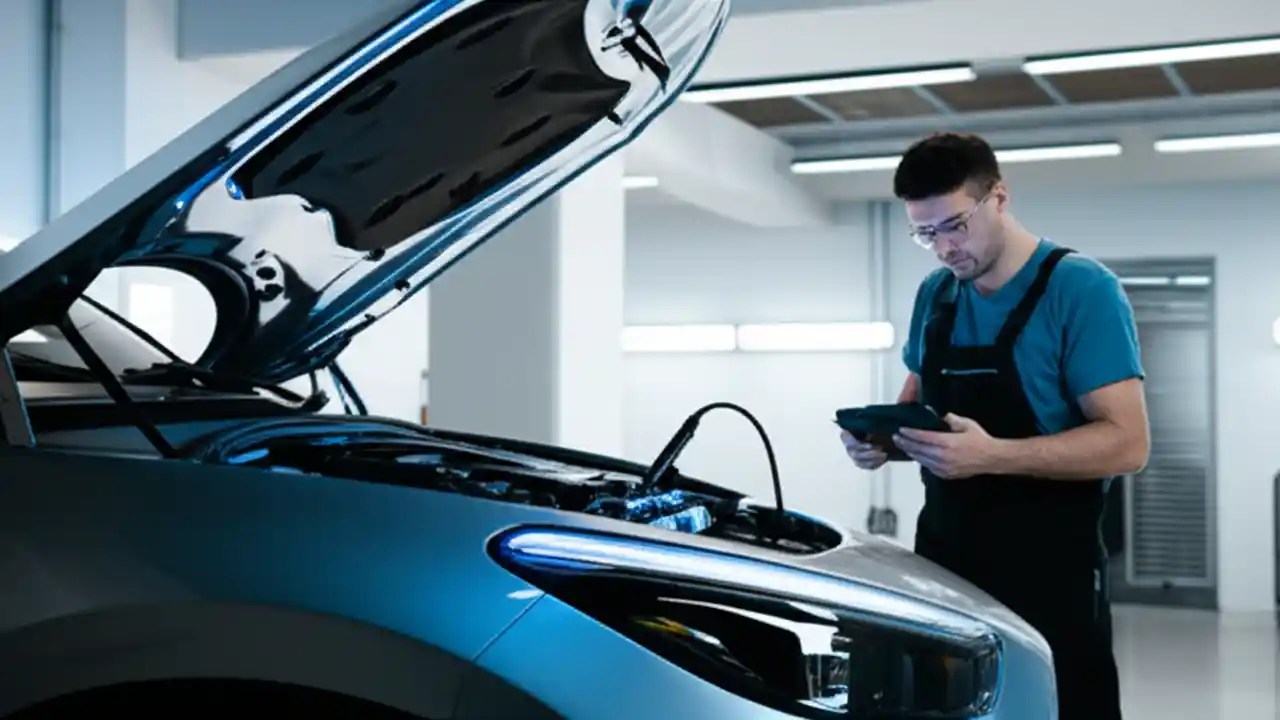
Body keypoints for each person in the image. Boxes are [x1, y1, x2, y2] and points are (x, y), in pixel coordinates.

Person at [840, 131, 1149, 719]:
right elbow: (921, 402)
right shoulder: (936, 295)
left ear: (999, 198)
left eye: (955, 225)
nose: (943, 249)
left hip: (1050, 571)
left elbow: (1128, 443)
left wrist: (992, 455)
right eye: (924, 233)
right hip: (946, 564)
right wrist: (883, 439)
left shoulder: (1080, 289)